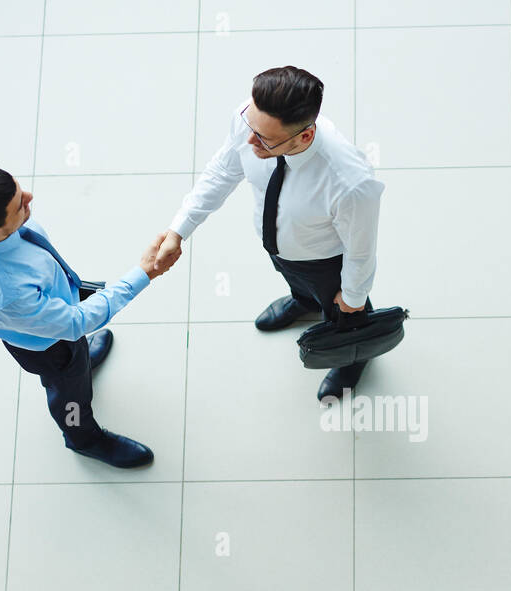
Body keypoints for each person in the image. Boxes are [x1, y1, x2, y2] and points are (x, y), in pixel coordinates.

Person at [154, 66, 386, 402]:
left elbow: (361, 251)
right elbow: (222, 171)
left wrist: (352, 298)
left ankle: (353, 354)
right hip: (281, 248)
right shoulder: (251, 119)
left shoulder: (351, 183)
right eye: (250, 125)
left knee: (343, 313)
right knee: (297, 283)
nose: (249, 141)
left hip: (325, 261)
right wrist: (179, 229)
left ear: (304, 136)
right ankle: (304, 302)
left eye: (264, 138)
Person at [0, 164, 178, 467]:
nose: (29, 196)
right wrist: (145, 273)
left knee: (79, 358)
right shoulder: (5, 295)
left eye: (18, 188)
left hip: (49, 309)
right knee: (69, 393)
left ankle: (83, 362)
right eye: (18, 204)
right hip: (51, 347)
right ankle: (83, 438)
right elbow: (76, 323)